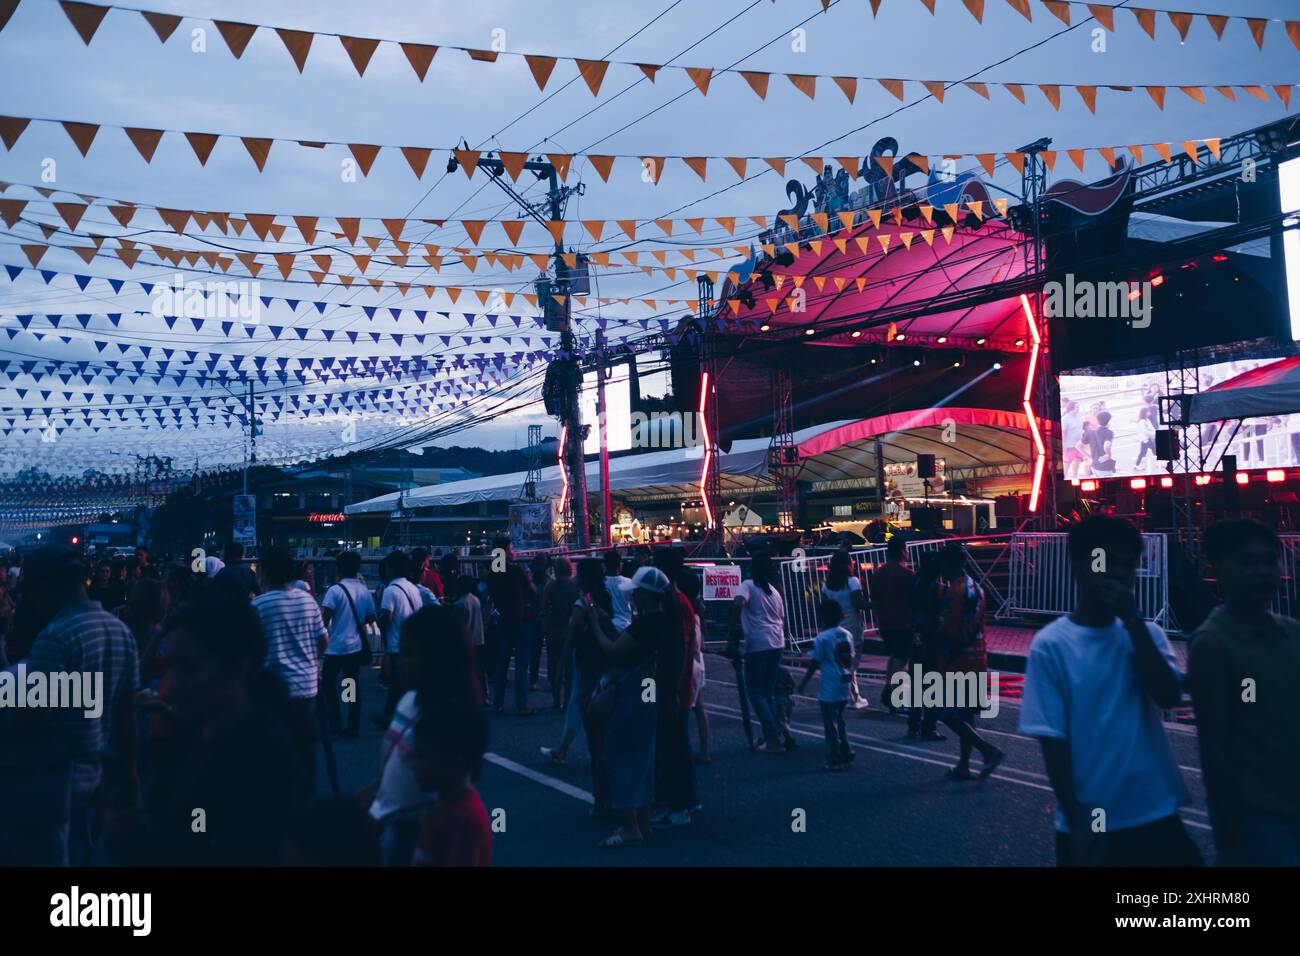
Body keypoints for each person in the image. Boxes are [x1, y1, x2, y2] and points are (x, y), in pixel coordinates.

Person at [1020, 516, 1200, 867]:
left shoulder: (1147, 634)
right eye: (1105, 561)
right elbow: (1053, 742)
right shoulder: (1051, 645)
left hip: (1156, 810)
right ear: (1077, 566)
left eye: (1127, 564)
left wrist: (1132, 621)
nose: (1117, 572)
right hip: (1092, 818)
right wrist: (1077, 819)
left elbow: (1168, 696)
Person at [106, 592, 308, 866]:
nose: (170, 685)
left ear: (236, 671)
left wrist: (137, 844)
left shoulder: (263, 755)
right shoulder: (191, 729)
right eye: (168, 668)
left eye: (188, 669)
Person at [0, 546, 139, 866]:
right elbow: (126, 713)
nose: (31, 601)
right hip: (96, 774)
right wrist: (130, 775)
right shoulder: (119, 630)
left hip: (54, 782)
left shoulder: (57, 637)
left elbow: (32, 717)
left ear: (50, 588)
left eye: (33, 592)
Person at [1188, 519, 1300, 866]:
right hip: (1256, 812)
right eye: (1248, 563)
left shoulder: (1292, 633)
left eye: (1270, 561)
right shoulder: (1211, 644)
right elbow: (1213, 742)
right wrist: (1227, 827)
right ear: (1217, 570)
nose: (1263, 572)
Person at [368, 605, 480, 865]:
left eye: (410, 655)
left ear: (437, 658)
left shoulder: (450, 720)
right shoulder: (408, 700)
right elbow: (393, 769)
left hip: (418, 830)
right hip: (389, 825)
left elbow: (450, 789)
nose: (401, 664)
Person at [583, 566, 675, 848]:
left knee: (620, 754)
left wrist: (595, 623)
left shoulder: (645, 625)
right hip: (651, 691)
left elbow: (612, 650)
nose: (633, 595)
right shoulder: (665, 622)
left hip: (632, 693)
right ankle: (643, 821)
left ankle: (629, 826)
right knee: (642, 755)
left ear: (647, 596)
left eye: (637, 592)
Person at [251, 546, 328, 794]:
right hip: (307, 688)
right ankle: (305, 797)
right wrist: (312, 663)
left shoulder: (260, 605)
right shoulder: (308, 600)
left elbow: (251, 648)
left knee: (274, 751)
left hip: (274, 689)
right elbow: (323, 640)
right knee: (304, 746)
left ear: (265, 572)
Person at [925, 544, 1004, 781]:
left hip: (957, 660)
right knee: (966, 714)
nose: (940, 569)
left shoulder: (954, 592)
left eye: (943, 564)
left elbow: (947, 629)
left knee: (946, 714)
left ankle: (988, 750)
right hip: (977, 657)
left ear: (952, 564)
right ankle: (964, 764)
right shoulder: (976, 588)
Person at [540, 560, 609, 799]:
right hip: (602, 655)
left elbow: (569, 631)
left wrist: (559, 663)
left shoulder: (579, 601)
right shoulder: (602, 596)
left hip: (583, 655)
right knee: (584, 699)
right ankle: (566, 747)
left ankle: (588, 755)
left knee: (580, 701)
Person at [649, 548, 698, 829]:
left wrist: (673, 689)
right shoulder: (674, 601)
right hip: (674, 685)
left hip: (675, 688)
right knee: (675, 745)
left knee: (673, 746)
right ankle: (683, 799)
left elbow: (680, 649)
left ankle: (679, 805)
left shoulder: (675, 604)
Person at [411, 702, 493, 866]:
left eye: (422, 756)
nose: (414, 764)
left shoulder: (462, 821)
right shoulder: (444, 804)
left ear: (454, 762)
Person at [731, 551, 790, 753]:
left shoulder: (748, 585)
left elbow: (738, 602)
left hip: (758, 643)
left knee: (755, 693)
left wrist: (734, 631)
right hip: (777, 642)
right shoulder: (774, 592)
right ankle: (772, 736)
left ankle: (773, 736)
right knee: (768, 692)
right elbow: (782, 618)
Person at [319, 551, 377, 738]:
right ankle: (352, 726)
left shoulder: (335, 590)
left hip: (336, 647)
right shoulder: (364, 590)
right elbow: (370, 617)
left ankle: (335, 722)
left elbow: (325, 617)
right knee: (350, 684)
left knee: (328, 685)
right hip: (355, 647)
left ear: (339, 568)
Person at [798, 599, 856, 770]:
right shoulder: (847, 634)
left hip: (829, 685)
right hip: (844, 682)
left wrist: (803, 683)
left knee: (830, 723)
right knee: (840, 718)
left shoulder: (822, 638)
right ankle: (846, 747)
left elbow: (815, 663)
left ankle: (835, 755)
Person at [486, 538, 538, 716]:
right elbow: (532, 592)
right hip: (522, 620)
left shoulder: (493, 573)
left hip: (504, 620)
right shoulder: (517, 571)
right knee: (522, 664)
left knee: (503, 663)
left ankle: (497, 703)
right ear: (505, 551)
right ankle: (521, 705)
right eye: (511, 547)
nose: (514, 550)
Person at [870, 538, 915, 714]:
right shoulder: (907, 574)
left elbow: (875, 599)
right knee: (901, 659)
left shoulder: (879, 573)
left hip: (886, 623)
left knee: (894, 657)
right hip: (903, 623)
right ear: (903, 551)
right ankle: (894, 694)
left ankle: (891, 689)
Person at [378, 550, 423, 723]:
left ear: (391, 568)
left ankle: (391, 715)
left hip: (396, 643)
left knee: (397, 683)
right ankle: (393, 714)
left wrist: (380, 621)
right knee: (402, 683)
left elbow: (387, 616)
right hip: (412, 643)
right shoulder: (413, 588)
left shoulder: (391, 590)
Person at [822, 550, 869, 711]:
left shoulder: (827, 585)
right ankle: (852, 697)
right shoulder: (853, 582)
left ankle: (853, 695)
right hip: (852, 623)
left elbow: (825, 606)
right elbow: (858, 604)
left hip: (835, 625)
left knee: (842, 661)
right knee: (852, 663)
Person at [678, 569, 710, 765]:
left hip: (686, 665)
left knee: (681, 709)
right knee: (699, 707)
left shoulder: (684, 611)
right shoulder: (698, 611)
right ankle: (705, 751)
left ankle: (681, 752)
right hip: (699, 663)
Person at [540, 557, 579, 710]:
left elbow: (544, 608)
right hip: (569, 629)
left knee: (554, 664)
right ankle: (568, 700)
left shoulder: (550, 587)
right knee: (570, 668)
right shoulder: (573, 587)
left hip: (553, 630)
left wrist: (546, 626)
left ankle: (557, 700)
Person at [450, 574, 486, 702]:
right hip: (479, 638)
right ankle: (484, 696)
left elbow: (457, 625)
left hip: (466, 641)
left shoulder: (460, 604)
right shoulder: (476, 599)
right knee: (480, 671)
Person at [604, 549, 633, 631]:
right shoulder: (629, 582)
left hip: (606, 627)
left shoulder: (599, 584)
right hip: (626, 626)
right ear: (620, 565)